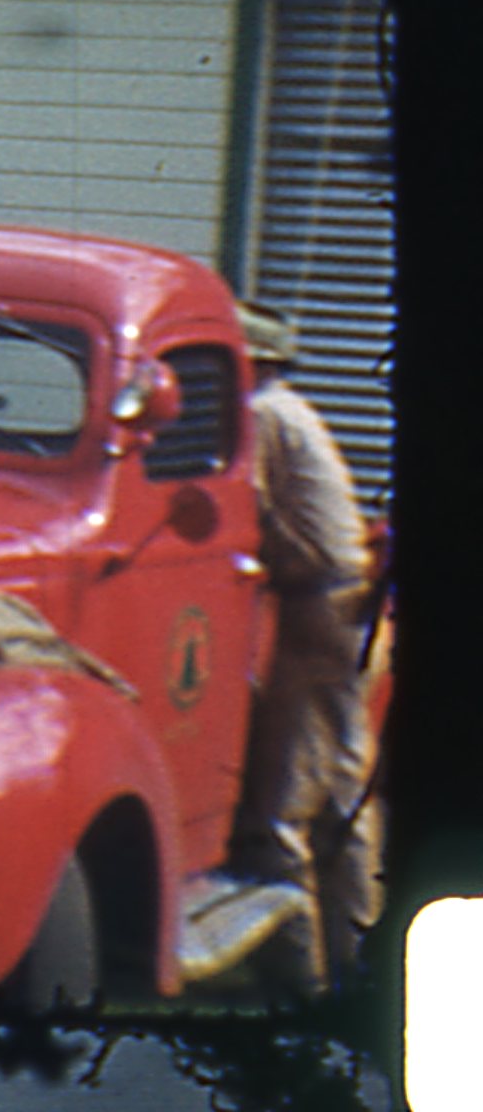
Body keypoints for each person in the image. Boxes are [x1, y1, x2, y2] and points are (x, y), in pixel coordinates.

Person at [230, 300, 383, 992]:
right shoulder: (288, 408)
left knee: (283, 806)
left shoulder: (258, 415)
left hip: (318, 614)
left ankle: (299, 979)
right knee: (343, 799)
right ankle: (361, 965)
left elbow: (241, 505)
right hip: (350, 607)